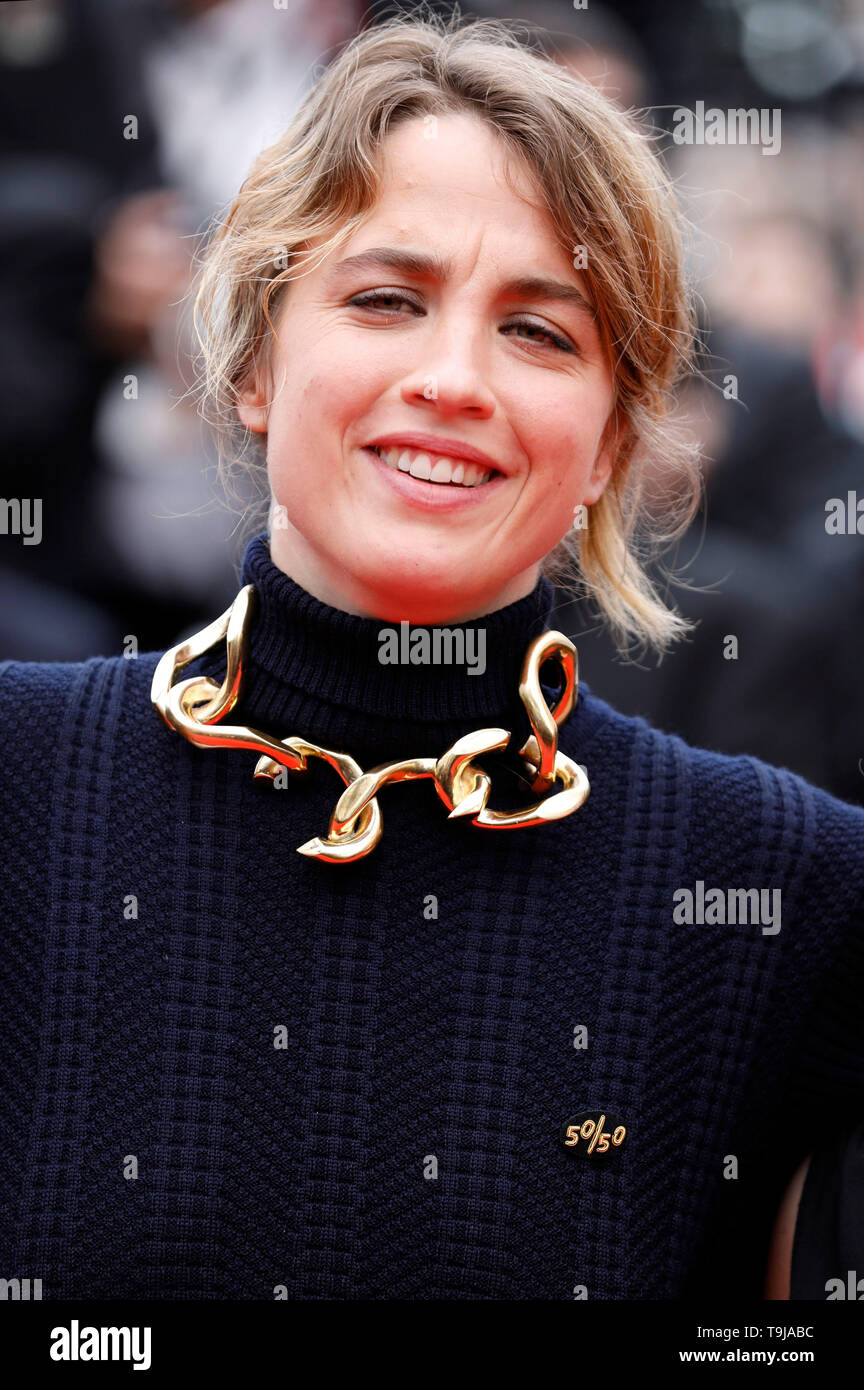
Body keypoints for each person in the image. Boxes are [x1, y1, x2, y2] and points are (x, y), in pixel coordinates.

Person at [1, 11, 862, 1301]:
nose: (453, 377)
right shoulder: (18, 780)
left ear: (615, 439)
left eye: (541, 331)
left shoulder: (788, 893)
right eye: (387, 299)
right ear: (253, 360)